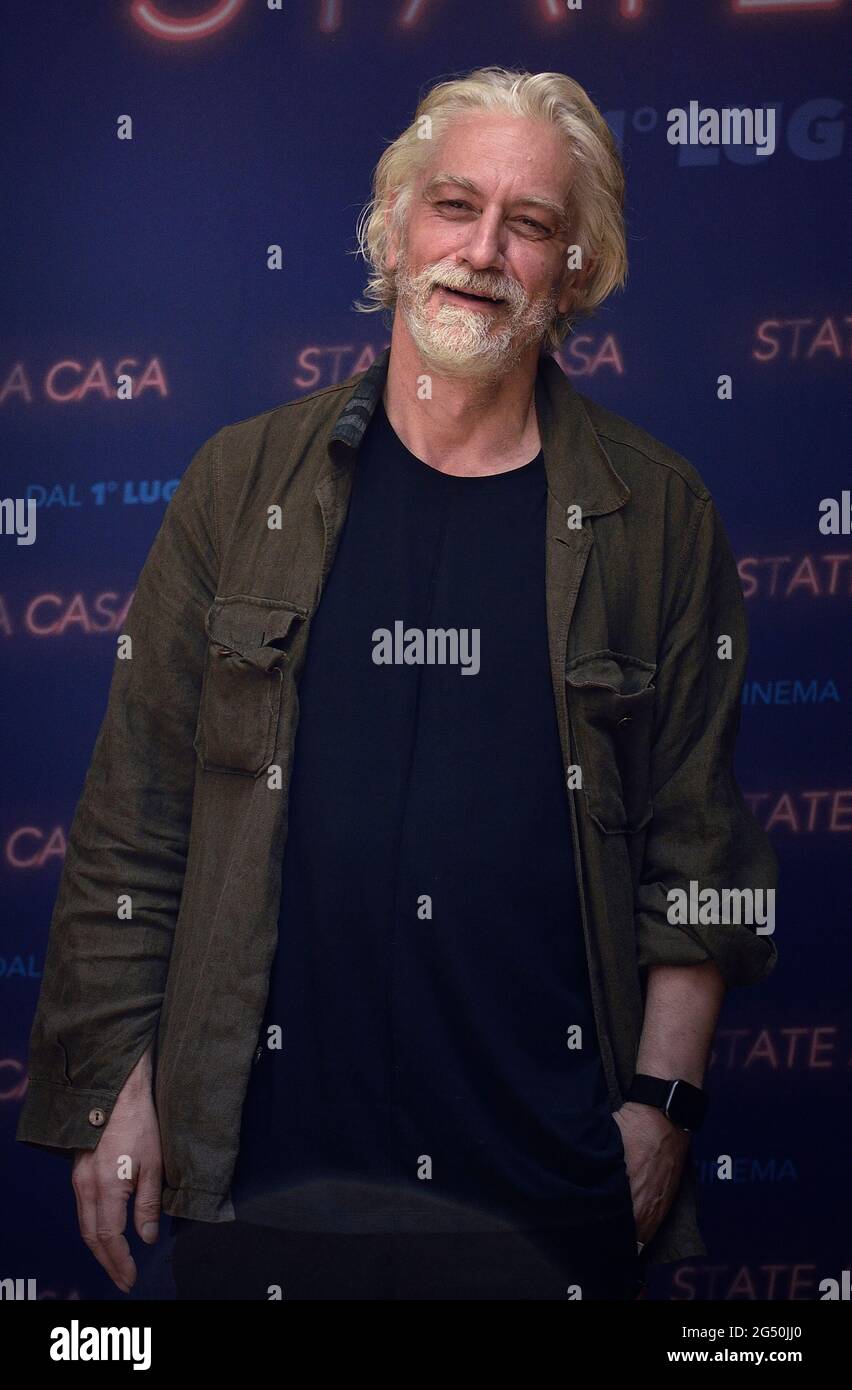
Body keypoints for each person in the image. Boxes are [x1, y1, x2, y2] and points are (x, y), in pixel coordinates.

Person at [17, 66, 778, 1301]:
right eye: (453, 205)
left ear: (573, 270)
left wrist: (662, 1112)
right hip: (260, 1175)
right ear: (392, 227)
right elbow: (135, 817)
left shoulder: (660, 520)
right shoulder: (237, 483)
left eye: (528, 225)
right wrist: (114, 1086)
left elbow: (706, 860)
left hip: (546, 1189)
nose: (481, 251)